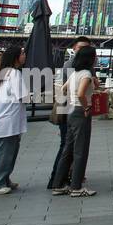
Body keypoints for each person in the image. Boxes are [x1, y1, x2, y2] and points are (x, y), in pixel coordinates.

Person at [49, 45, 98, 197]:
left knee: (68, 149)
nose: (96, 58)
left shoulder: (75, 73)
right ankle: (76, 186)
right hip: (80, 112)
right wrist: (86, 107)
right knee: (80, 150)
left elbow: (63, 89)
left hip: (70, 112)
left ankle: (58, 184)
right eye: (94, 56)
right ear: (90, 58)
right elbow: (82, 93)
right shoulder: (86, 74)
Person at [0, 44, 26, 195]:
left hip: (7, 119)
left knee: (9, 152)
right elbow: (22, 96)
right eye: (22, 53)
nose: (24, 56)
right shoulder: (14, 73)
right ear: (16, 57)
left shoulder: (7, 72)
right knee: (3, 153)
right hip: (7, 120)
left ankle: (4, 179)